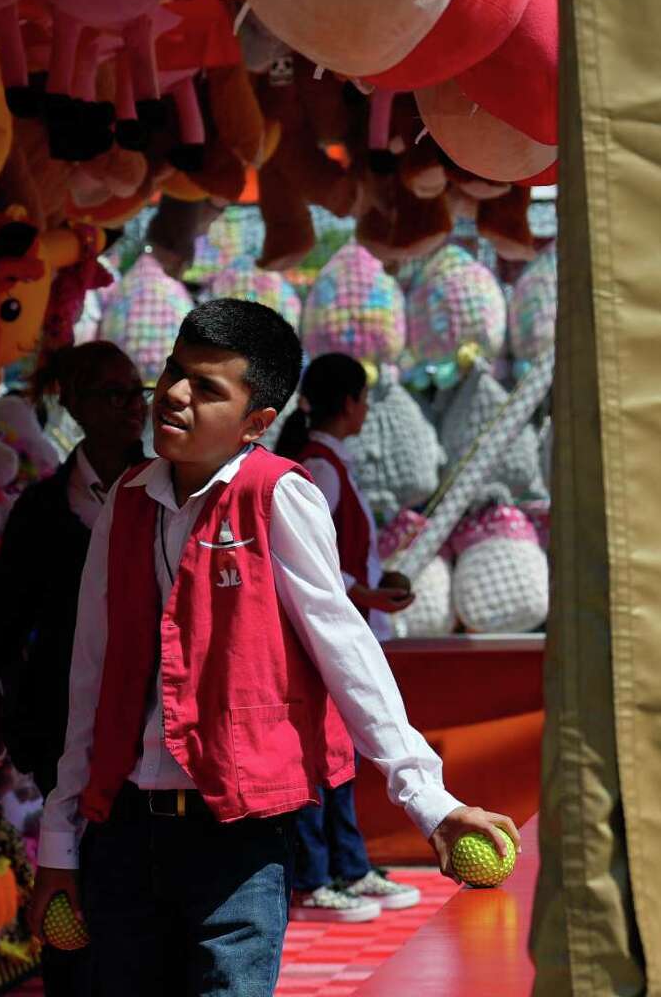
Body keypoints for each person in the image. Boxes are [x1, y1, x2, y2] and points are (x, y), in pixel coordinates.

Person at [27, 300, 515, 995]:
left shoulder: (279, 495)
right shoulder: (124, 501)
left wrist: (427, 798)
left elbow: (345, 647)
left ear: (256, 423)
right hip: (124, 829)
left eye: (207, 387)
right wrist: (60, 842)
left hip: (238, 838)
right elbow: (90, 677)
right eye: (173, 371)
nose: (173, 394)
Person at [0, 342, 148, 997]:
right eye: (113, 395)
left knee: (144, 895)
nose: (132, 407)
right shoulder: (43, 509)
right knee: (70, 896)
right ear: (75, 404)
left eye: (136, 391)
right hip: (64, 728)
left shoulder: (175, 491)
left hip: (156, 726)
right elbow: (0, 619)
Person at [273, 354, 422, 919]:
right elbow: (310, 564)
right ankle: (318, 876)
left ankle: (346, 867)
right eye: (363, 398)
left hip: (348, 626)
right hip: (325, 633)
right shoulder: (321, 468)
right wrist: (368, 593)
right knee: (323, 755)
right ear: (351, 402)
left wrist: (376, 587)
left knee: (342, 755)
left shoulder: (329, 461)